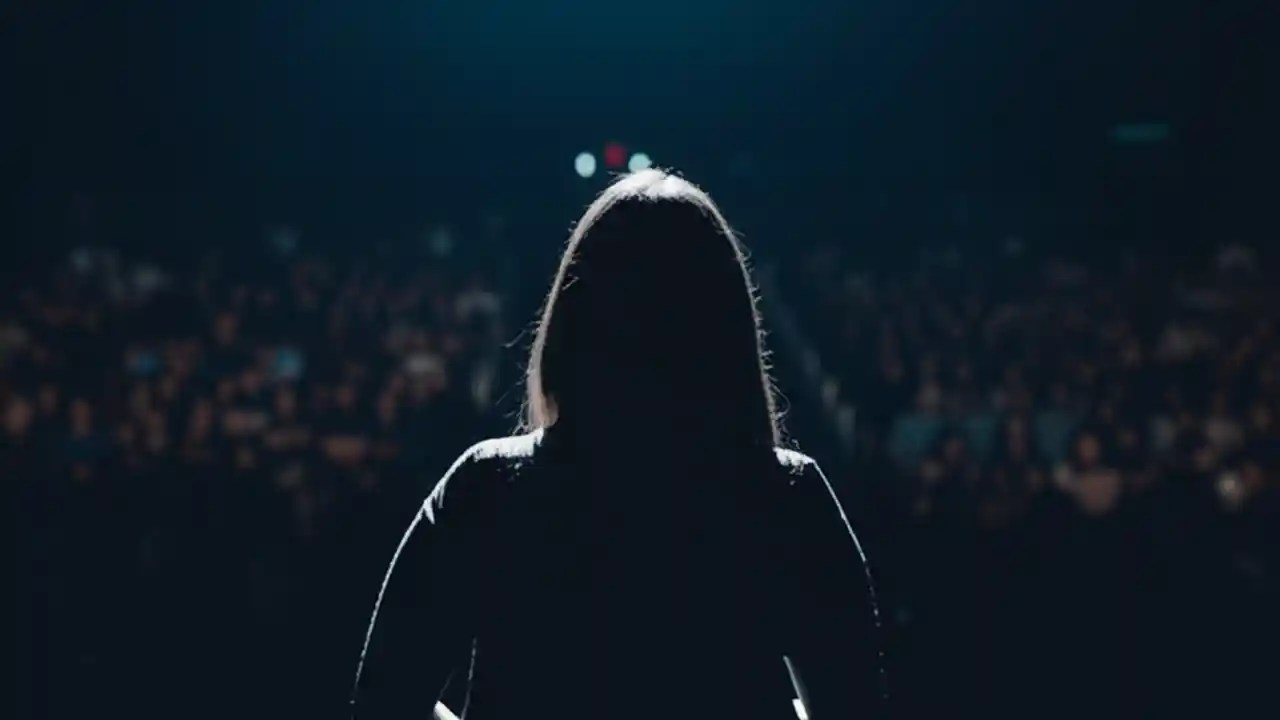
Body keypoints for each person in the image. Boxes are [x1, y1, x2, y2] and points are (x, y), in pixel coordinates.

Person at [350, 169, 886, 720]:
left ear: (570, 324)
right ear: (729, 332)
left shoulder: (485, 487)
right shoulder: (789, 497)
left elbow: (383, 702)